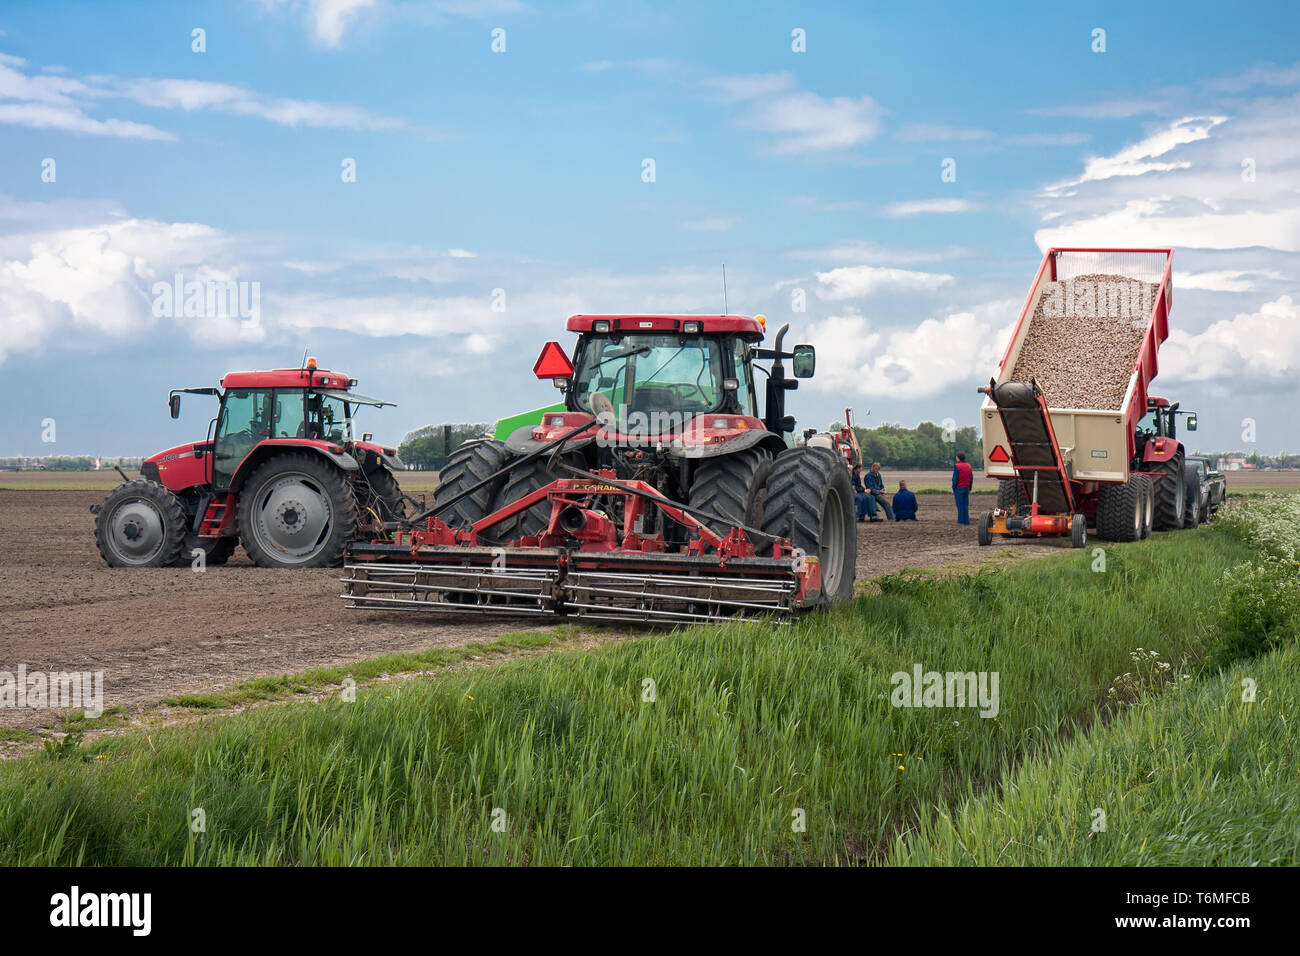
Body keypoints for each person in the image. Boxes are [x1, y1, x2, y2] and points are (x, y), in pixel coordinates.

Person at [952, 451, 974, 525]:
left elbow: (955, 478)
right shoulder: (969, 466)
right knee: (965, 504)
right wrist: (970, 487)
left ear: (958, 458)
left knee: (960, 504)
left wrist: (953, 487)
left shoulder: (957, 466)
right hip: (966, 487)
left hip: (959, 488)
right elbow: (971, 478)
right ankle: (966, 520)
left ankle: (960, 520)